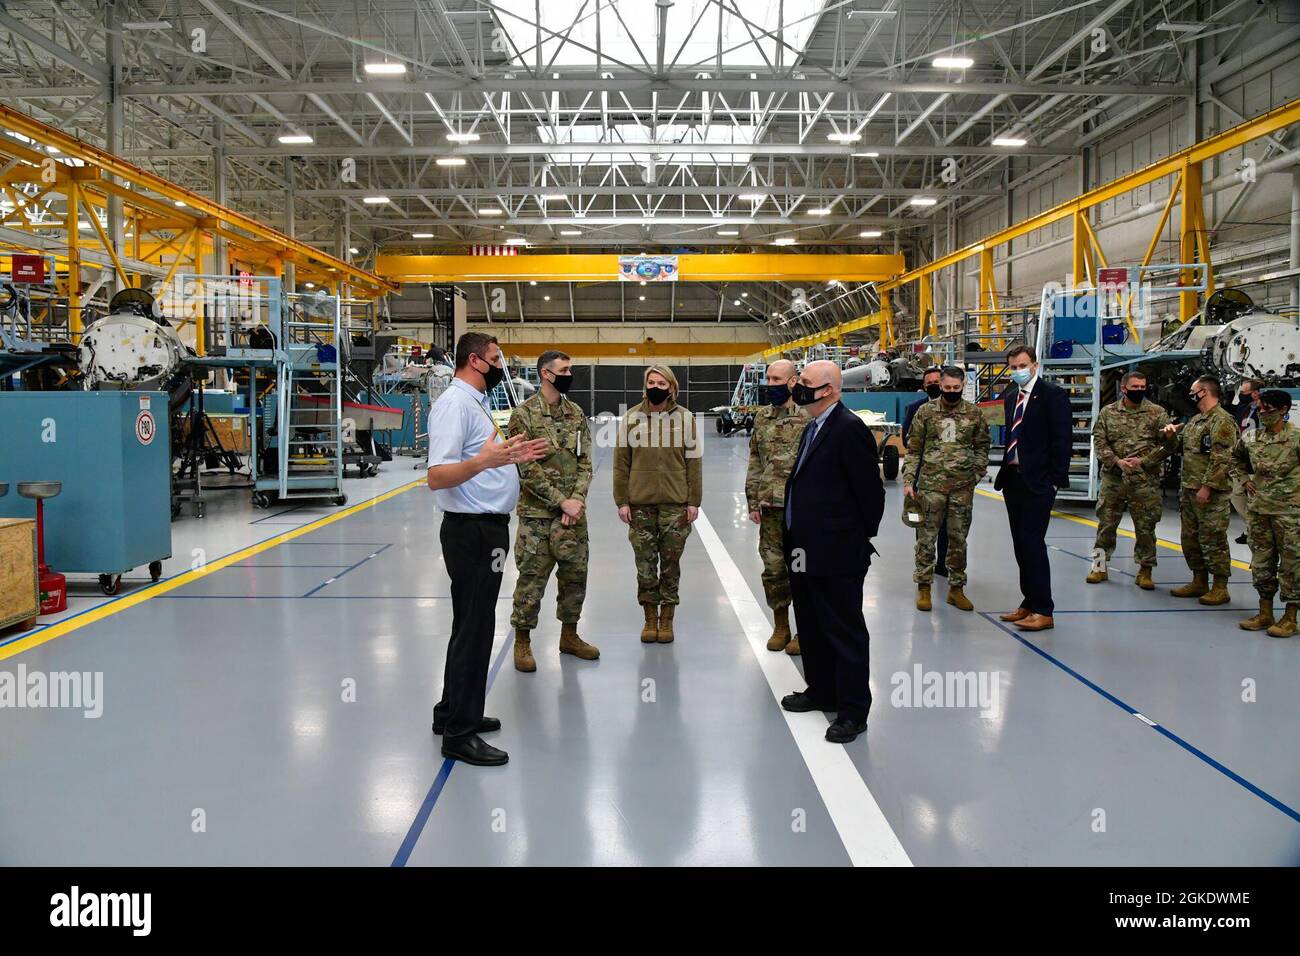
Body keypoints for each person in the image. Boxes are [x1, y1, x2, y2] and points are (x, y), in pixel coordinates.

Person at [425, 332, 549, 766]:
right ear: (475, 361)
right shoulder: (454, 405)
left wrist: (513, 458)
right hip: (472, 532)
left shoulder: (472, 402)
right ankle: (459, 733)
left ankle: (451, 712)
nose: (501, 366)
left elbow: (481, 459)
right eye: (496, 359)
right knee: (476, 629)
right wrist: (487, 462)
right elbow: (437, 475)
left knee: (469, 624)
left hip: (484, 528)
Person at [780, 360, 885, 744]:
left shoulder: (849, 430)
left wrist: (854, 543)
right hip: (804, 550)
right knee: (811, 624)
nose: (798, 387)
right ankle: (821, 689)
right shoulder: (813, 427)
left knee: (844, 629)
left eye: (805, 382)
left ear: (829, 390)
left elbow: (870, 497)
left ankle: (853, 710)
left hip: (837, 552)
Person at [507, 350, 598, 672]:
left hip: (573, 516)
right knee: (531, 581)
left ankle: (569, 636)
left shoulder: (575, 413)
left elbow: (587, 461)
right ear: (546, 374)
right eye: (565, 369)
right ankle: (522, 642)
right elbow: (526, 467)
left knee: (575, 579)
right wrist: (561, 501)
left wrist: (576, 501)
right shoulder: (524, 415)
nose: (570, 374)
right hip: (537, 517)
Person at [614, 365, 702, 644]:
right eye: (651, 382)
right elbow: (621, 463)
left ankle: (667, 618)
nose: (655, 387)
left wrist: (694, 501)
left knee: (671, 564)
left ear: (671, 387)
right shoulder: (631, 418)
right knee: (645, 564)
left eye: (661, 382)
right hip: (640, 506)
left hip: (675, 506)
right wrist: (622, 501)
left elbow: (694, 463)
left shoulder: (686, 419)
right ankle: (650, 617)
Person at [993, 344, 1072, 632]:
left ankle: (1044, 609)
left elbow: (1062, 441)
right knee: (1020, 545)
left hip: (1039, 482)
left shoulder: (1053, 395)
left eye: (1022, 366)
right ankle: (1028, 602)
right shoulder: (1011, 396)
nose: (1018, 371)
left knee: (1033, 544)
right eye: (1013, 367)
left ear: (1035, 366)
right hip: (1013, 479)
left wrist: (1053, 480)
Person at [902, 365, 990, 612]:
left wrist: (976, 473)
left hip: (962, 488)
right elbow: (914, 450)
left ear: (963, 386)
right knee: (926, 539)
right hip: (931, 487)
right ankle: (924, 587)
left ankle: (956, 588)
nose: (952, 392)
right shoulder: (925, 412)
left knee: (958, 539)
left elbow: (983, 445)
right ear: (940, 386)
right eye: (947, 388)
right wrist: (909, 481)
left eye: (956, 388)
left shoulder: (973, 414)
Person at [745, 359, 808, 655]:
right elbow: (756, 460)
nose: (770, 384)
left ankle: (805, 630)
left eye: (776, 379)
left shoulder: (809, 416)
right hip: (770, 506)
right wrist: (752, 500)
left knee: (802, 570)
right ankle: (780, 625)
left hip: (801, 510)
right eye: (768, 379)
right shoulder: (761, 417)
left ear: (793, 382)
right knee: (773, 569)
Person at [1087, 370, 1170, 589]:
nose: (1140, 391)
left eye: (1143, 388)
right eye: (1135, 388)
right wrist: (1116, 461)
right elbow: (1099, 442)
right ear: (1124, 389)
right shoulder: (1108, 412)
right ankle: (1098, 567)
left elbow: (1168, 445)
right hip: (1114, 478)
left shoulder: (1157, 412)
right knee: (1106, 524)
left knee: (1145, 527)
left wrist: (1144, 461)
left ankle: (1145, 570)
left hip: (1144, 480)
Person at [1161, 376, 1237, 606]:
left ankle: (1220, 587)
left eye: (1194, 391)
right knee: (1190, 539)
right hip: (1190, 489)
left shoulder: (1222, 421)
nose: (1191, 394)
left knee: (1213, 539)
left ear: (1204, 392)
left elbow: (1223, 459)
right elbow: (1178, 448)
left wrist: (1207, 487)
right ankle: (1199, 580)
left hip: (1210, 493)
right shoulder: (1195, 421)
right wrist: (1171, 435)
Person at [1231, 390, 1300, 638]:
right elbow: (1235, 459)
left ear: (1283, 410)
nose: (1262, 414)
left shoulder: (1296, 438)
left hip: (1289, 513)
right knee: (1261, 563)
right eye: (1260, 409)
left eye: (1268, 410)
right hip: (1259, 510)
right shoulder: (1251, 439)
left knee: (1292, 564)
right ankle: (1265, 612)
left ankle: (1291, 617)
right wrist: (1244, 479)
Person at [902, 366, 949, 576]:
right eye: (929, 383)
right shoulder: (915, 408)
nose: (933, 386)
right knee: (921, 522)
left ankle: (944, 564)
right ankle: (923, 565)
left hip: (949, 478)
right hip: (923, 476)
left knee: (948, 525)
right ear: (923, 386)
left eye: (937, 382)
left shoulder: (956, 408)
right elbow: (907, 438)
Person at [1229, 378, 1263, 543]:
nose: (1241, 395)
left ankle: (1256, 530)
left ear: (1255, 393)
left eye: (1244, 393)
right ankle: (1252, 527)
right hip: (1242, 459)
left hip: (1258, 461)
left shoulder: (1265, 412)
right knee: (1236, 495)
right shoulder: (1242, 409)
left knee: (1257, 498)